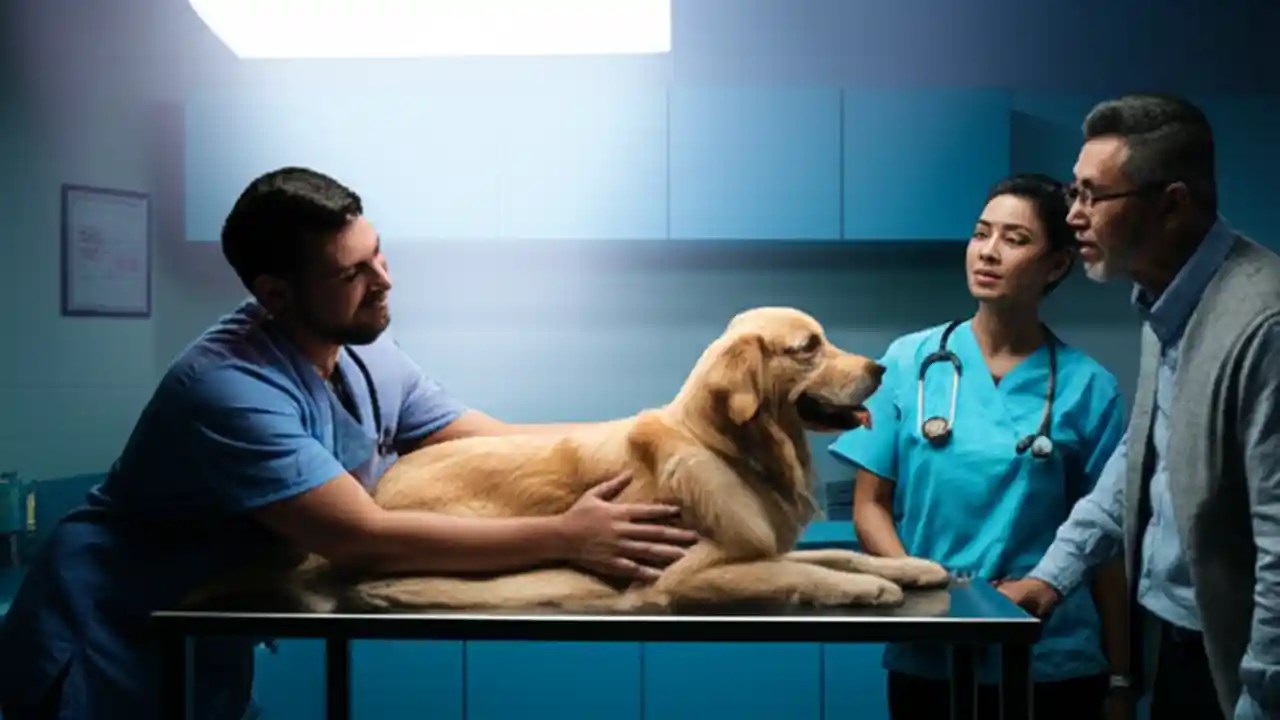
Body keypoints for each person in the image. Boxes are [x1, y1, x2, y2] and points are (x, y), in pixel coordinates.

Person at [0, 166, 699, 720]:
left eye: (378, 254)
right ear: (275, 293)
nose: (384, 282)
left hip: (205, 626)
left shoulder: (364, 351)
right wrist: (566, 536)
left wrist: (660, 433)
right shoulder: (226, 389)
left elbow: (491, 439)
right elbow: (362, 537)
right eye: (351, 274)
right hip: (108, 632)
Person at [996, 94, 1280, 720]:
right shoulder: (1164, 305)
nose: (1073, 215)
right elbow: (1139, 464)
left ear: (1172, 204)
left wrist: (1260, 701)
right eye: (1073, 193)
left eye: (1093, 196)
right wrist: (1052, 577)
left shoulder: (1264, 323)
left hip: (1238, 670)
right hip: (1176, 646)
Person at [827, 172, 1132, 719]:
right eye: (981, 233)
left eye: (1015, 240)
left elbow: (1107, 546)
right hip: (929, 653)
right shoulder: (908, 361)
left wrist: (1120, 677)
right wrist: (924, 588)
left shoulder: (1090, 388)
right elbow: (870, 506)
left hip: (1052, 657)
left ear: (1057, 265)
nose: (988, 253)